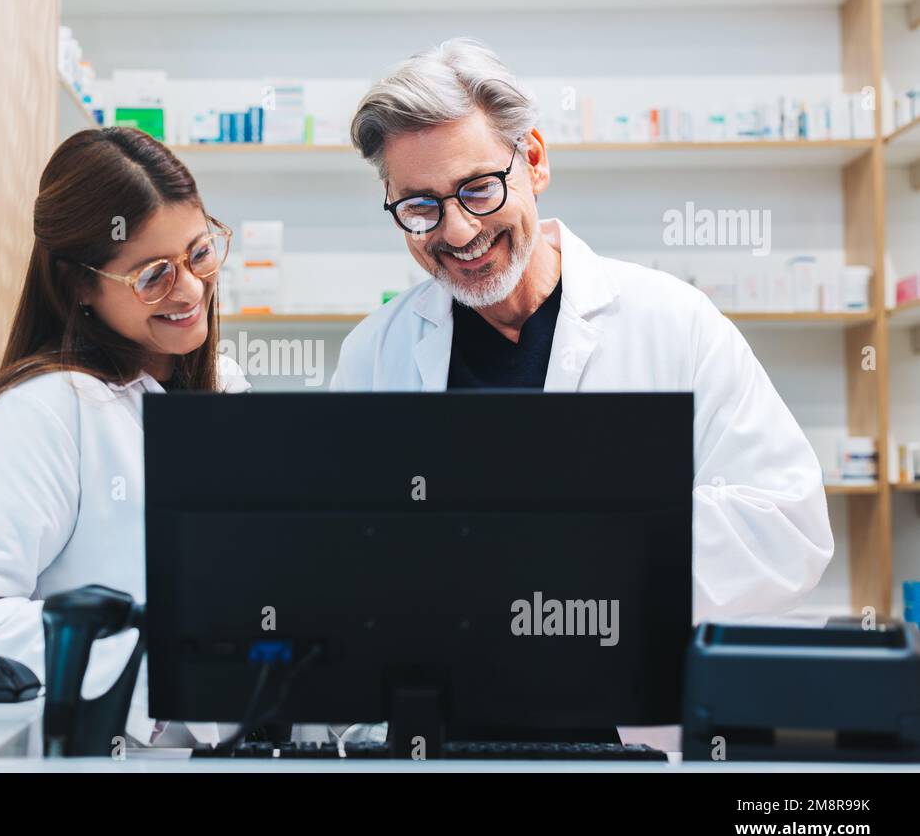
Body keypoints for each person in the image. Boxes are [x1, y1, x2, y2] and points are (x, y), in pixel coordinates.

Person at [333, 38, 833, 621]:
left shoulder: (675, 323)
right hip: (441, 703)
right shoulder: (375, 351)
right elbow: (337, 549)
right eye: (420, 206)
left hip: (615, 695)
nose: (460, 230)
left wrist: (578, 543)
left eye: (478, 189)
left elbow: (789, 528)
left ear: (535, 161)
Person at [0, 127, 249, 747]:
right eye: (152, 277)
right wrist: (154, 649)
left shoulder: (224, 387)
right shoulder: (45, 410)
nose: (191, 289)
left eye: (199, 253)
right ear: (80, 286)